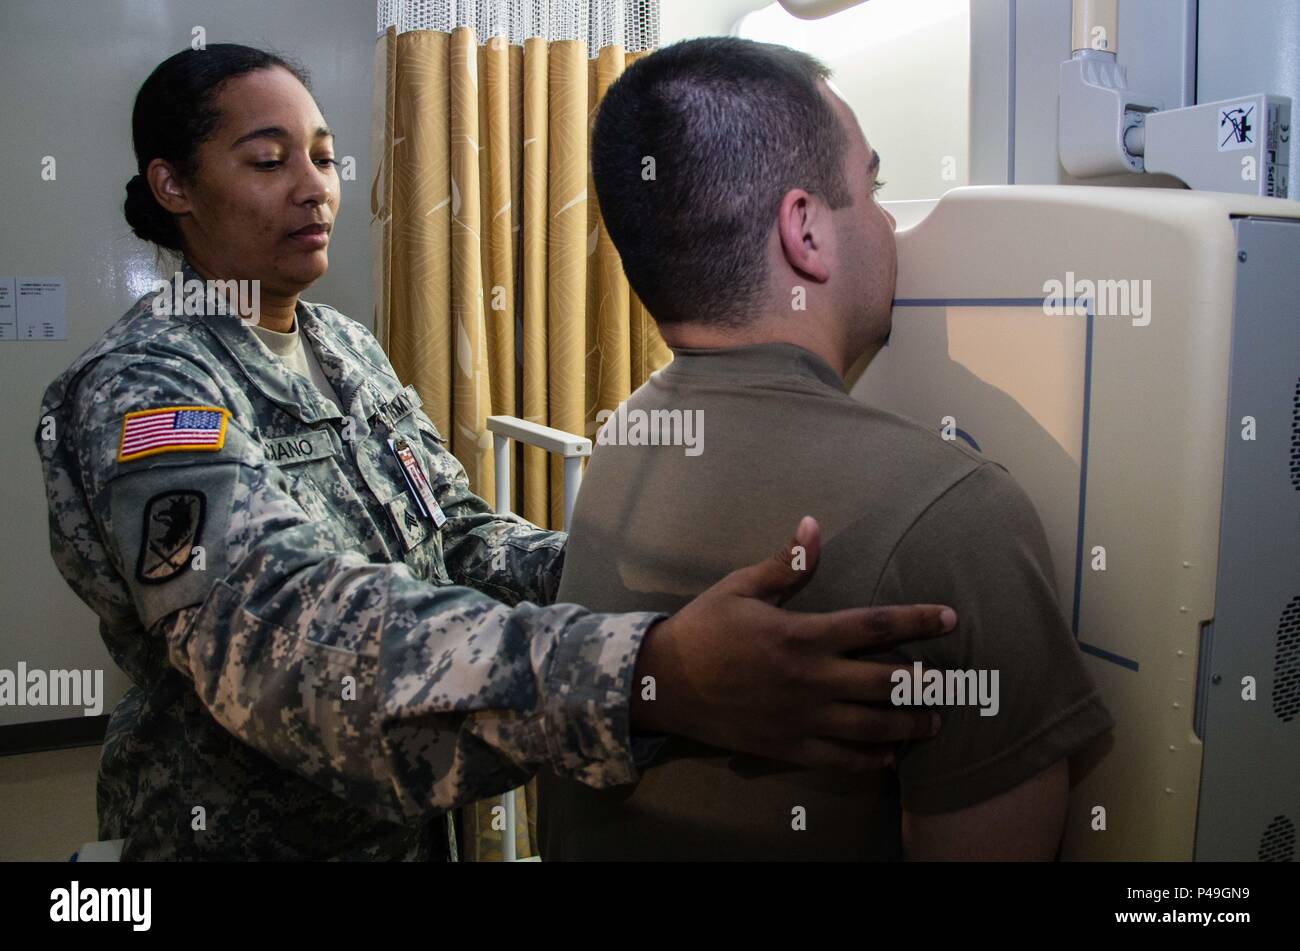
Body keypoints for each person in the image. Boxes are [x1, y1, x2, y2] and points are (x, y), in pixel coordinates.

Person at [33, 44, 957, 861]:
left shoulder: (343, 352)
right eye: (268, 160)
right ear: (174, 186)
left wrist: (632, 573)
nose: (315, 186)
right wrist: (647, 669)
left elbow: (460, 540)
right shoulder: (144, 389)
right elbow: (276, 640)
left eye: (322, 156)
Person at [537, 37, 1115, 861]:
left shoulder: (624, 440)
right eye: (872, 188)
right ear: (805, 231)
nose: (887, 222)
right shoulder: (958, 517)